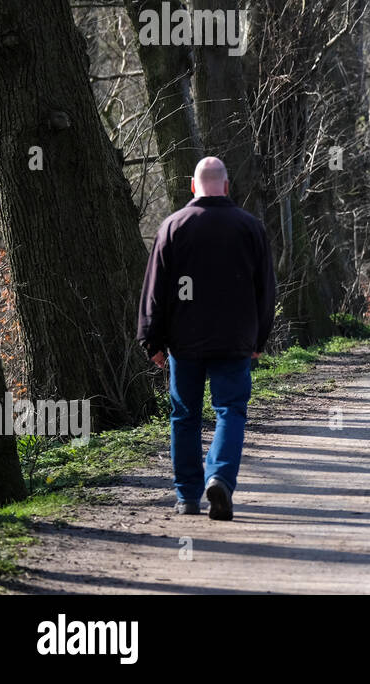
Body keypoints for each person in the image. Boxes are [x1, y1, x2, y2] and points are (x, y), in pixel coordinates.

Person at [137, 157, 276, 520]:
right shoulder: (251, 228)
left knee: (184, 416)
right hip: (234, 339)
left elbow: (155, 290)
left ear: (193, 187)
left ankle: (187, 497)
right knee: (230, 411)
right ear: (227, 187)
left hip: (185, 341)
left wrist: (151, 339)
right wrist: (259, 338)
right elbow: (266, 291)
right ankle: (220, 478)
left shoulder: (173, 227)